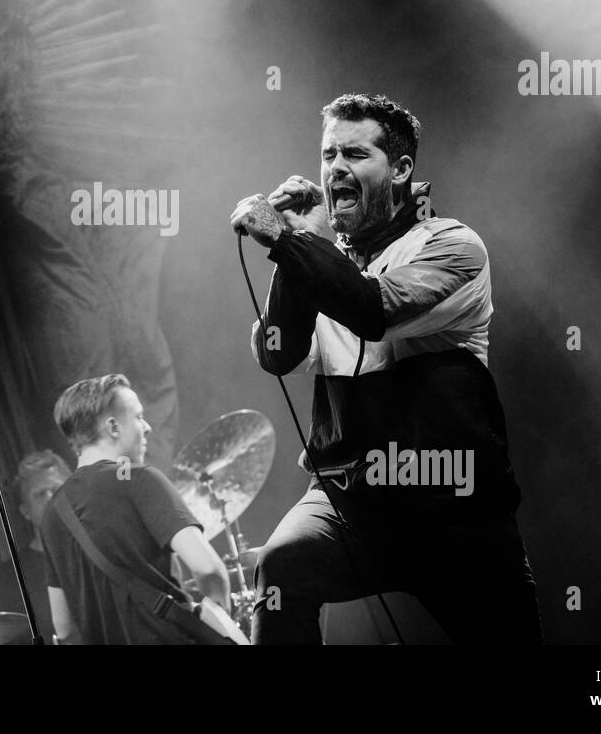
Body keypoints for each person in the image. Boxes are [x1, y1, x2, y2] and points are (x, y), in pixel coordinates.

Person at [229, 93, 542, 645]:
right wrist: (295, 244)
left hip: (454, 507)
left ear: (399, 169)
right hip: (353, 502)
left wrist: (292, 241)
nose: (334, 169)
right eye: (328, 156)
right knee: (282, 568)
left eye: (354, 154)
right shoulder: (321, 258)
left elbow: (374, 309)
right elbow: (277, 351)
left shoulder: (451, 244)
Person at [38, 374, 230, 644]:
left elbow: (65, 629)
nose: (148, 427)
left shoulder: (52, 513)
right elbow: (209, 570)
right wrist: (221, 627)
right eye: (139, 417)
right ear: (114, 427)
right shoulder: (139, 478)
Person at [0, 449, 71, 639]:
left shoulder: (102, 551)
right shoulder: (7, 580)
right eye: (40, 494)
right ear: (25, 511)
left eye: (57, 490)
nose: (51, 499)